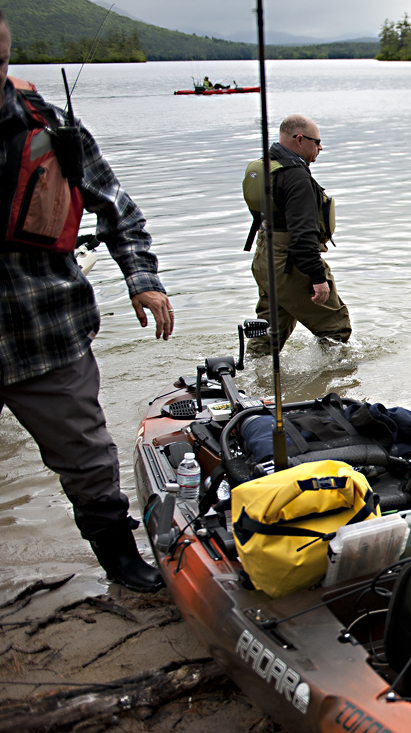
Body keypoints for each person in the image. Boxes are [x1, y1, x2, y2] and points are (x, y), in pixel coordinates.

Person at [0, 11, 174, 592]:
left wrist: (143, 279)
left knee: (89, 458)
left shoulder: (48, 127)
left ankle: (122, 566)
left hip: (45, 332)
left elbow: (118, 207)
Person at [249, 114, 351, 352]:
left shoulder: (267, 166)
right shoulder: (296, 177)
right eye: (317, 142)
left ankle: (249, 380)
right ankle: (334, 384)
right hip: (290, 263)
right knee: (335, 328)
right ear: (299, 139)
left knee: (269, 332)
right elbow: (302, 235)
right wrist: (317, 278)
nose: (320, 147)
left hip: (265, 258)